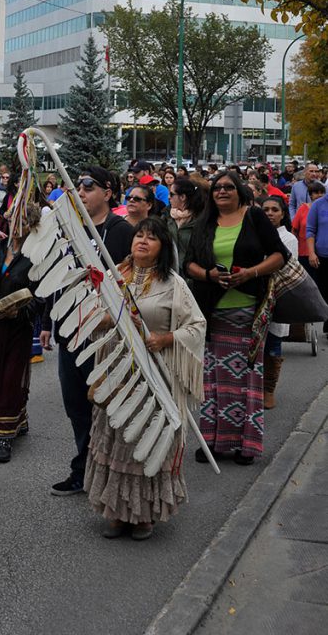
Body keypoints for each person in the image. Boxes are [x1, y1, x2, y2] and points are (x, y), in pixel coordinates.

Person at [85, 217, 205, 539]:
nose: (143, 241)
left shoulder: (173, 285)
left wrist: (166, 339)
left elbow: (196, 326)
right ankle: (117, 511)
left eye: (152, 238)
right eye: (139, 235)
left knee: (145, 443)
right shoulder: (112, 276)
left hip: (154, 379)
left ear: (162, 247)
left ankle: (144, 515)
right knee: (117, 440)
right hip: (115, 374)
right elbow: (91, 315)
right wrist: (106, 317)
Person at [41, 166, 133, 496]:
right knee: (76, 405)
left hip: (103, 335)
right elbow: (55, 275)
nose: (80, 190)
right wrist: (47, 323)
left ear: (107, 193)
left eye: (88, 185)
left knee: (105, 405)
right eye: (78, 185)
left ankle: (110, 471)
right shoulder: (70, 229)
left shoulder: (121, 230)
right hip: (69, 330)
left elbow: (130, 284)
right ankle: (84, 467)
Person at [186, 171, 288, 464]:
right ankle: (214, 442)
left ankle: (246, 444)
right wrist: (208, 274)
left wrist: (250, 273)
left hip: (248, 311)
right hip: (212, 312)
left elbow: (280, 256)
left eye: (229, 187)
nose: (222, 192)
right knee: (213, 379)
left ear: (240, 190)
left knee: (246, 378)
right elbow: (188, 262)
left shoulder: (254, 218)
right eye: (217, 188)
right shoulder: (205, 222)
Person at [0, 202, 41, 462]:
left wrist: (20, 313)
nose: (18, 226)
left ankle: (3, 436)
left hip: (18, 327)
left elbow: (40, 298)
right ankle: (18, 418)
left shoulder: (36, 257)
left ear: (32, 226)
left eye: (24, 222)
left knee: (11, 376)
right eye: (15, 220)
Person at [261, 196, 298, 408]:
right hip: (255, 296)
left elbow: (288, 270)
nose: (270, 213)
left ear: (283, 214)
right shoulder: (254, 233)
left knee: (273, 345)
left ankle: (269, 390)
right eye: (265, 209)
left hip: (278, 296)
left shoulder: (289, 239)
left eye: (275, 209)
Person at [166, 177, 205, 282]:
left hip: (192, 279)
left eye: (172, 194)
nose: (168, 197)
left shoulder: (201, 220)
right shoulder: (166, 217)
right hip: (170, 276)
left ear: (182, 197)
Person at [306, 184, 328, 334]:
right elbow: (310, 230)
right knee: (325, 292)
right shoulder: (318, 205)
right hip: (323, 256)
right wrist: (311, 253)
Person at [292, 180, 326, 275]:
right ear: (310, 195)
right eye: (316, 193)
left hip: (322, 253)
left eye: (322, 193)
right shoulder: (303, 209)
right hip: (304, 252)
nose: (319, 195)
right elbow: (294, 230)